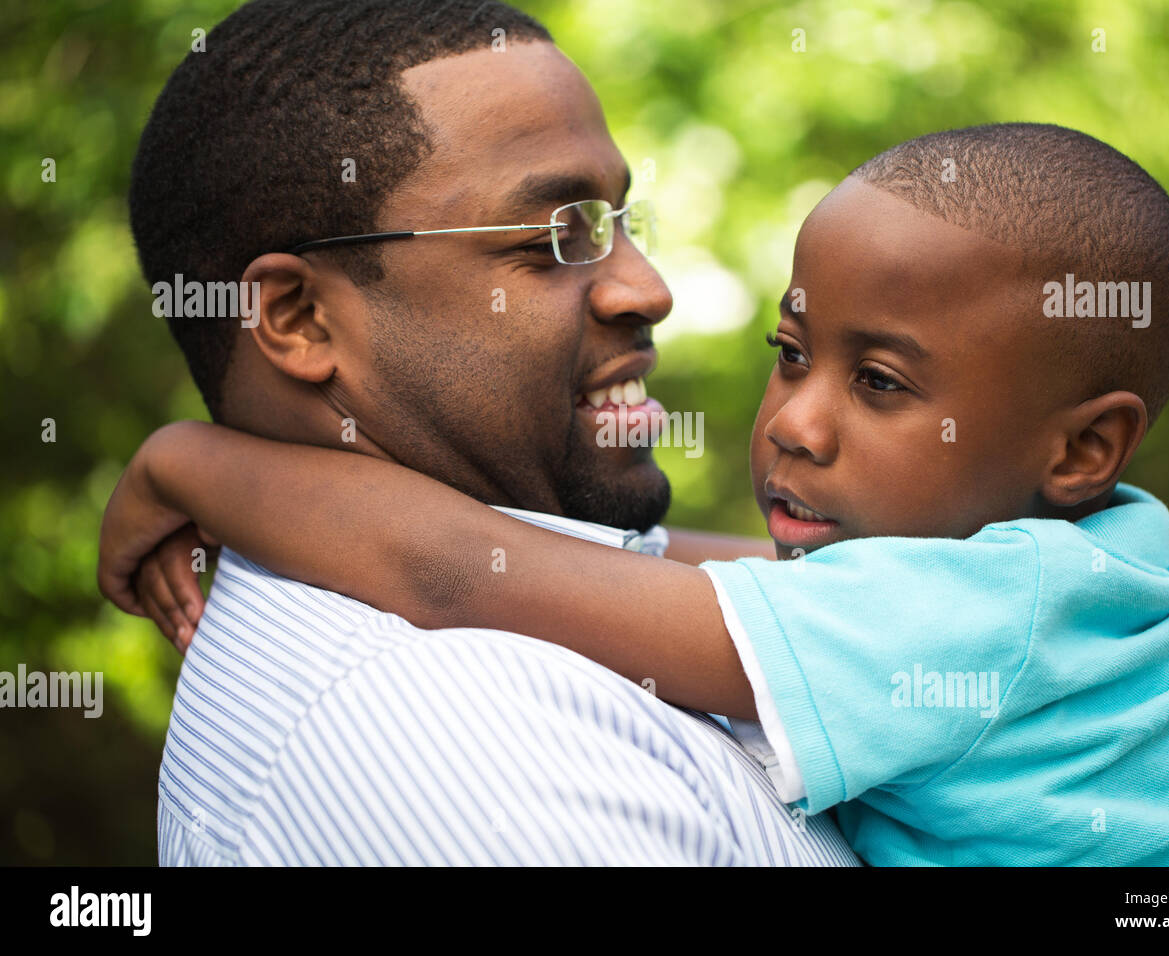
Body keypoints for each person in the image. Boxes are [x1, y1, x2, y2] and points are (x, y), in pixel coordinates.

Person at [104, 124, 1169, 865]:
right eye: (791, 352)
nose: (792, 421)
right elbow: (699, 571)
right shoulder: (1084, 556)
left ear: (1081, 450)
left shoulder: (988, 611)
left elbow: (457, 572)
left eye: (877, 383)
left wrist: (191, 462)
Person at [112, 0, 860, 866]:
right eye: (553, 237)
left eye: (620, 223)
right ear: (300, 318)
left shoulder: (562, 593)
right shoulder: (463, 740)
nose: (646, 289)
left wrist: (200, 464)